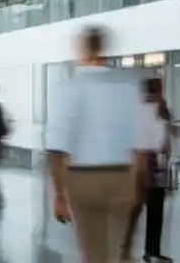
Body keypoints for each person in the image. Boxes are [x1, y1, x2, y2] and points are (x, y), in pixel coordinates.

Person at [45, 26, 148, 263]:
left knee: (93, 252)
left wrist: (59, 194)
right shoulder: (128, 85)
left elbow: (57, 146)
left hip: (83, 179)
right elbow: (140, 142)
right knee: (117, 251)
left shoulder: (70, 87)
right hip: (121, 175)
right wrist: (135, 181)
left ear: (82, 50)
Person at [123, 77, 173, 263]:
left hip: (157, 163)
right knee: (135, 208)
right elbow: (144, 139)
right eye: (160, 88)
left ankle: (152, 251)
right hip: (144, 161)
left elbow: (165, 136)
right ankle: (125, 249)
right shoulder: (143, 110)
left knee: (156, 209)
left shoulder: (161, 110)